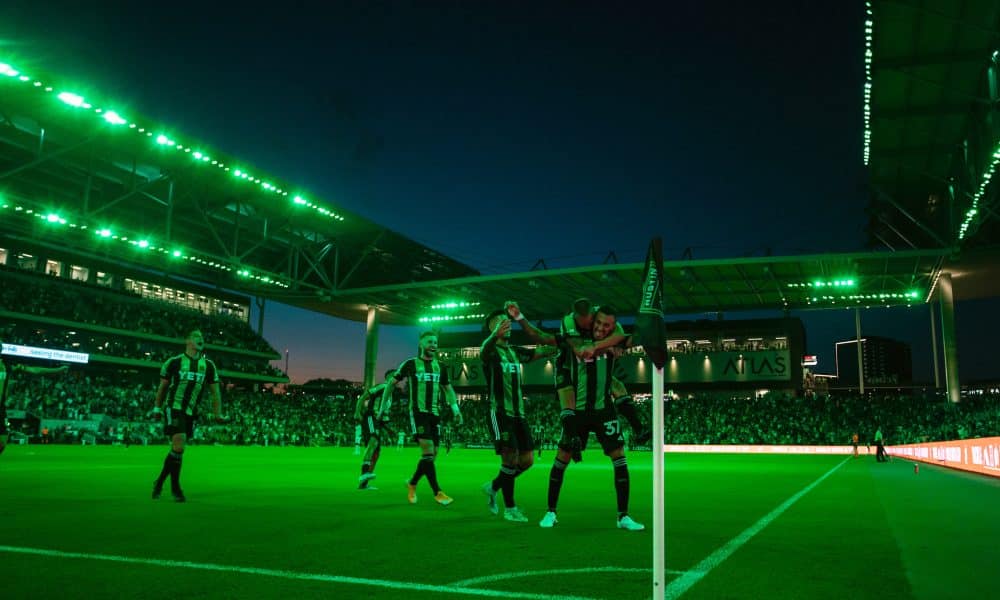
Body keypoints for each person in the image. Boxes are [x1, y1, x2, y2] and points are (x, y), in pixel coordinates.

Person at [534, 305, 645, 531]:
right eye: (599, 323)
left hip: (604, 409)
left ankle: (623, 516)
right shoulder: (573, 340)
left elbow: (634, 338)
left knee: (620, 458)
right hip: (578, 410)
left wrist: (649, 327)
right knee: (562, 458)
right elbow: (556, 332)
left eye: (608, 326)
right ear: (592, 321)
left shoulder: (615, 339)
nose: (602, 328)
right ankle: (550, 512)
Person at [505, 299, 648, 458]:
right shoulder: (568, 332)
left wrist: (617, 343)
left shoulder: (602, 325)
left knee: (616, 384)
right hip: (567, 371)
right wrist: (519, 319)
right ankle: (573, 440)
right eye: (584, 323)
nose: (591, 326)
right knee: (571, 397)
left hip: (588, 373)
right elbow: (546, 341)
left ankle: (639, 428)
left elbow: (621, 336)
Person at [479, 309, 557, 523]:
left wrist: (561, 347)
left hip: (519, 414)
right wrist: (494, 334)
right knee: (510, 458)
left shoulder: (514, 351)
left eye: (508, 321)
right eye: (501, 322)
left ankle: (494, 486)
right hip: (499, 412)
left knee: (528, 460)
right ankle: (510, 508)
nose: (507, 324)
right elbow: (482, 351)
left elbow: (537, 354)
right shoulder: (490, 351)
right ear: (492, 327)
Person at [381, 331, 463, 505]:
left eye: (435, 342)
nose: (433, 344)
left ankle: (412, 483)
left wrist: (455, 409)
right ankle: (438, 492)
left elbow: (448, 389)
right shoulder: (410, 364)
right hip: (418, 413)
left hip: (435, 414)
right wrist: (384, 406)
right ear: (421, 344)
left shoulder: (440, 366)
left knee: (432, 456)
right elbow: (391, 384)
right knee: (427, 452)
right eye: (430, 342)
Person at [150, 329, 224, 502]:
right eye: (197, 337)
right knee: (180, 444)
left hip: (191, 411)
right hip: (174, 407)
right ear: (188, 341)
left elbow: (216, 393)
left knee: (177, 450)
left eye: (202, 337)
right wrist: (156, 408)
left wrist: (217, 412)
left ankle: (159, 482)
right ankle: (176, 489)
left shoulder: (208, 366)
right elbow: (162, 388)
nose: (201, 339)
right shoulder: (174, 362)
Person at [0, 356, 68, 456]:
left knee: (2, 443)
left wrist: (57, 370)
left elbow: (36, 370)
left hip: (1, 409)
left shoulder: (7, 365)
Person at [354, 369, 395, 490]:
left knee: (376, 453)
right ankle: (365, 474)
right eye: (394, 375)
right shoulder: (382, 386)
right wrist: (357, 412)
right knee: (373, 441)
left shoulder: (390, 396)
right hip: (371, 417)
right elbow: (363, 397)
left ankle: (364, 484)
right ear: (387, 377)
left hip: (378, 422)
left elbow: (384, 416)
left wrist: (388, 429)